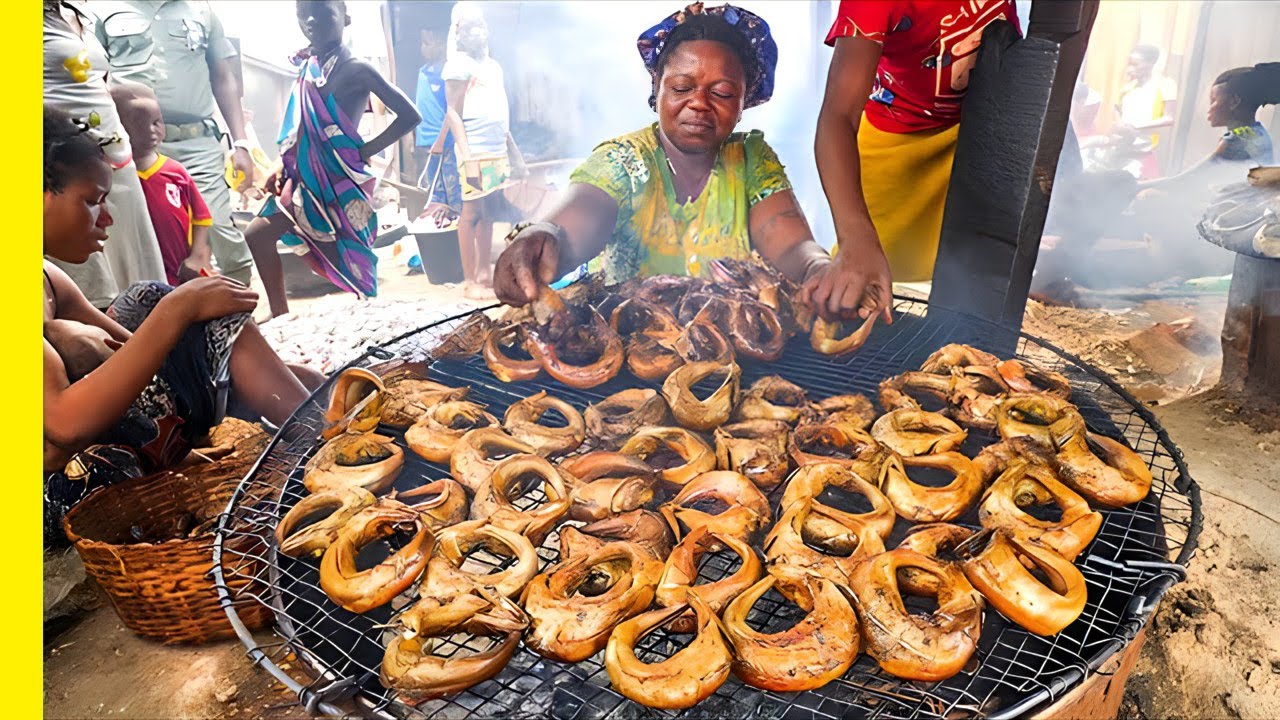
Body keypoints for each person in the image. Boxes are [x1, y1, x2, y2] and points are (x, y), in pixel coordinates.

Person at [42, 106, 320, 547]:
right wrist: (178, 310)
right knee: (164, 306)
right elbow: (64, 426)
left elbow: (137, 361)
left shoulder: (47, 279)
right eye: (93, 201)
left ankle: (312, 420)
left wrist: (199, 335)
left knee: (154, 304)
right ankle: (320, 441)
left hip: (84, 437)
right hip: (54, 490)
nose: (107, 218)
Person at [494, 3, 863, 320]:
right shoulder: (624, 161)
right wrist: (544, 235)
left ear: (743, 101)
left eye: (721, 92)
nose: (700, 103)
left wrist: (818, 269)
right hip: (629, 356)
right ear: (657, 86)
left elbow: (789, 246)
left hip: (733, 355)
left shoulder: (749, 159)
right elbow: (580, 218)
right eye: (682, 88)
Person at [814, 0, 1020, 314]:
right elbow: (838, 116)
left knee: (979, 302)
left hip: (984, 141)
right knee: (882, 305)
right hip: (897, 156)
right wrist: (855, 236)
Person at [243, 0, 422, 318]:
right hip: (304, 181)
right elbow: (299, 127)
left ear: (345, 18)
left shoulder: (357, 68)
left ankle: (370, 318)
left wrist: (367, 149)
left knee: (347, 256)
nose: (311, 20)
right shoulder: (307, 68)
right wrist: (282, 165)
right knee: (257, 234)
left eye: (324, 13)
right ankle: (280, 313)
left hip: (340, 182)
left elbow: (410, 115)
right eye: (303, 14)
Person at [95, 0, 257, 285]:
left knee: (218, 225)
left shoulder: (201, 10)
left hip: (196, 145)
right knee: (145, 234)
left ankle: (240, 314)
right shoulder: (102, 9)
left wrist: (241, 143)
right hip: (129, 149)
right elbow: (94, 77)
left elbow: (223, 78)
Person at [43, 0, 166, 308]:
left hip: (115, 165)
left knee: (136, 277)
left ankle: (147, 343)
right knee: (88, 283)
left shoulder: (75, 13)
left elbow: (98, 85)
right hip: (66, 169)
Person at [443, 2, 527, 300]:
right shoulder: (457, 65)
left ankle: (482, 271)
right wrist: (466, 156)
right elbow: (452, 112)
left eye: (482, 25)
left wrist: (514, 155)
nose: (479, 32)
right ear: (459, 33)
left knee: (489, 211)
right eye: (471, 28)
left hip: (496, 150)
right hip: (474, 151)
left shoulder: (493, 67)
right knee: (471, 212)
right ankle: (469, 280)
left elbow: (501, 117)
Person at [111, 82, 216, 286]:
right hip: (138, 273)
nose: (151, 131)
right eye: (139, 124)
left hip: (180, 271)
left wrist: (196, 258)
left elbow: (201, 219)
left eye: (156, 122)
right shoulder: (116, 178)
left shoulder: (175, 172)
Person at [413, 26, 462, 230]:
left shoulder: (447, 76)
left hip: (445, 146)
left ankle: (459, 234)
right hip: (427, 145)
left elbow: (451, 112)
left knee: (453, 195)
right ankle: (440, 234)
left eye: (427, 43)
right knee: (435, 193)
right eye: (422, 43)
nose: (422, 48)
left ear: (441, 45)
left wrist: (441, 141)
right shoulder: (422, 73)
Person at [1116, 44, 1179, 179]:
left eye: (1135, 64)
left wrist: (1135, 127)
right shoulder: (1128, 89)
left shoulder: (1165, 85)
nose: (1130, 69)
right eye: (1129, 64)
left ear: (1150, 64)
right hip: (1122, 150)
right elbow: (1118, 114)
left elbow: (1169, 118)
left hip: (1143, 153)